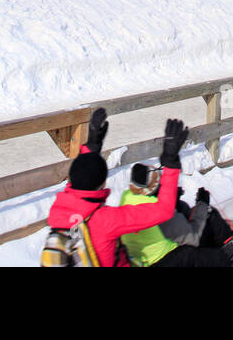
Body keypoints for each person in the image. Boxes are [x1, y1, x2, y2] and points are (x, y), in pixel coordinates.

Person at [44, 109, 188, 267]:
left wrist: (91, 147)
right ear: (102, 184)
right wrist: (170, 161)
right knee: (188, 256)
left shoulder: (62, 211)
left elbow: (81, 180)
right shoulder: (106, 221)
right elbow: (164, 210)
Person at [118, 167, 233, 267]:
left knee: (184, 209)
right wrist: (202, 204)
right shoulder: (158, 210)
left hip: (143, 259)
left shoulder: (127, 198)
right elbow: (192, 238)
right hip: (165, 259)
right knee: (207, 216)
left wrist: (173, 201)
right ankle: (228, 254)